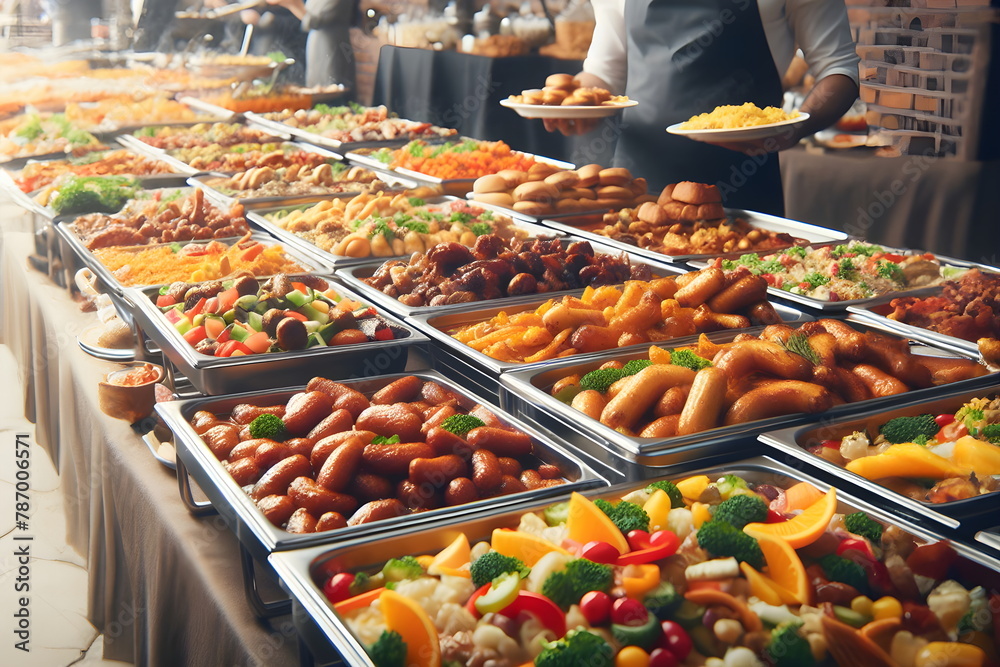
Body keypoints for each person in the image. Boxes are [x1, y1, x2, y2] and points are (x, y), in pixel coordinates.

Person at [544, 0, 860, 216]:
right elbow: (606, 71)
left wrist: (798, 126)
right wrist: (572, 102)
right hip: (639, 192)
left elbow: (839, 70)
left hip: (743, 190)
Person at [264, 0, 357, 92]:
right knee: (313, 90)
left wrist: (294, 4)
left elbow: (316, 22)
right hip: (314, 44)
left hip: (331, 47)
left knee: (331, 90)